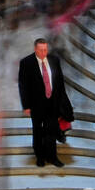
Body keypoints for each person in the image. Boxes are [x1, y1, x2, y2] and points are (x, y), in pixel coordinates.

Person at [18, 38, 73, 168]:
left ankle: (52, 157)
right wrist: (26, 105)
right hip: (36, 104)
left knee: (51, 131)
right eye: (41, 50)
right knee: (38, 131)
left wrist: (62, 101)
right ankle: (40, 157)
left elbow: (59, 82)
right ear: (35, 49)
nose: (44, 52)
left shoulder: (54, 60)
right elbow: (23, 85)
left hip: (52, 103)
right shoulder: (27, 62)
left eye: (45, 50)